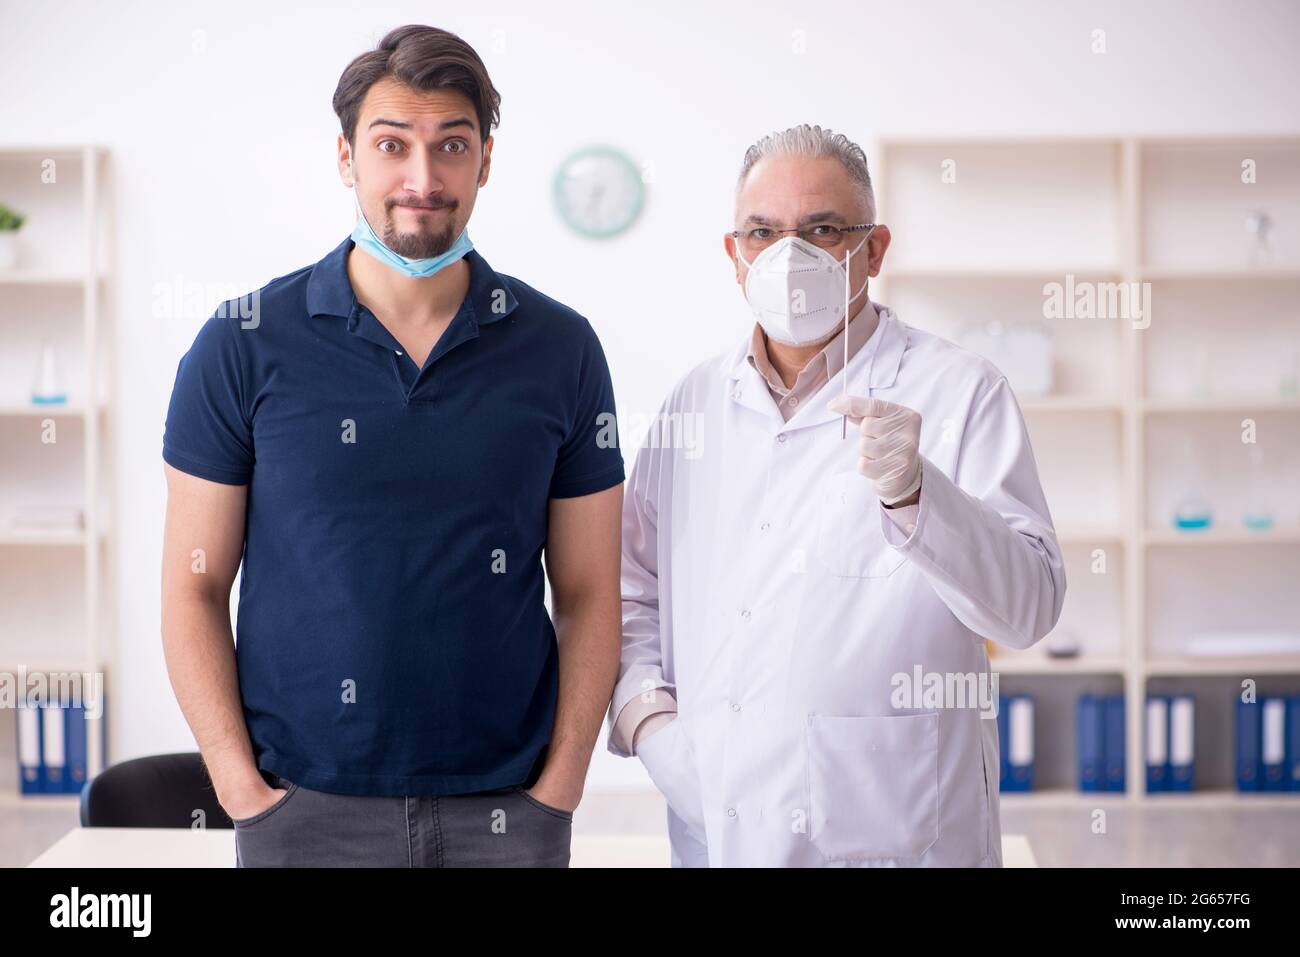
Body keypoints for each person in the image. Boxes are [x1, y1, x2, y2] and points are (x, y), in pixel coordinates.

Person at [161, 25, 623, 867]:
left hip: (507, 812)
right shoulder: (243, 343)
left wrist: (560, 785)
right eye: (391, 145)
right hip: (304, 810)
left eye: (452, 144)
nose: (423, 177)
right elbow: (194, 586)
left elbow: (590, 589)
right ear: (347, 160)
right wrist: (243, 791)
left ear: (485, 160)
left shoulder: (561, 347)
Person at [607, 124, 1066, 867]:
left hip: (898, 826)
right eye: (764, 232)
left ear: (875, 249)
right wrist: (651, 726)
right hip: (718, 826)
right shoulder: (693, 404)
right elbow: (632, 591)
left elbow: (1029, 608)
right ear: (734, 255)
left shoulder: (960, 390)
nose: (791, 257)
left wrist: (921, 496)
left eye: (822, 229)